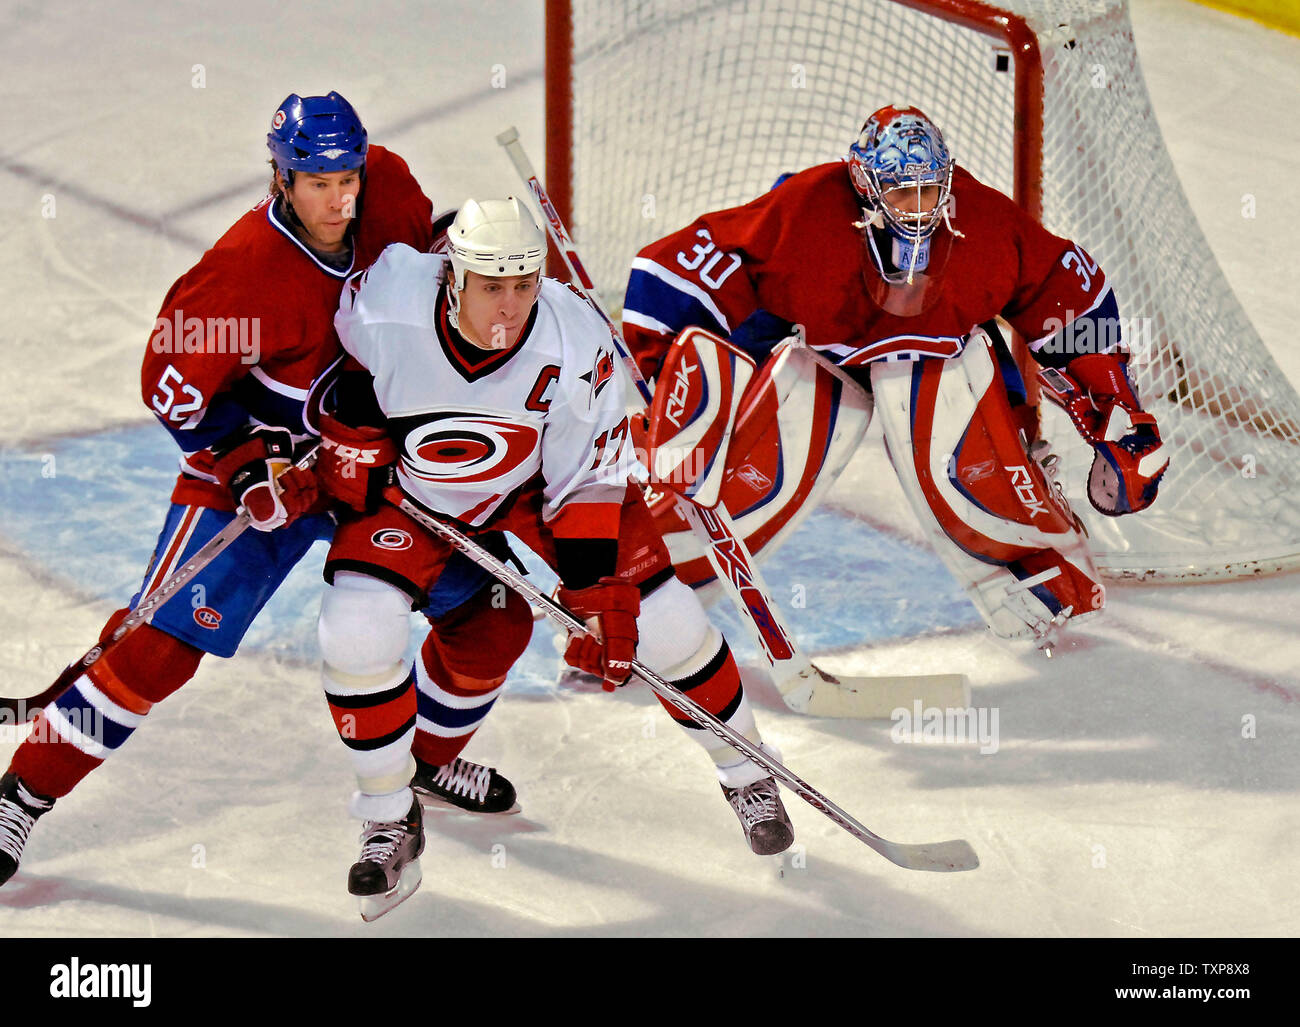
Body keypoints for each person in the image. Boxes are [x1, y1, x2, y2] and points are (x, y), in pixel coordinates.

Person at [0, 92, 526, 890]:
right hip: (271, 478)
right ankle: (23, 795)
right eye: (316, 182)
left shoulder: (391, 187)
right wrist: (248, 465)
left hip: (371, 464)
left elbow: (417, 273)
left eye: (346, 176)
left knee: (493, 615)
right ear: (280, 176)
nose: (338, 198)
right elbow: (170, 383)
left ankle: (420, 763)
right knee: (157, 648)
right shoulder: (243, 273)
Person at [317, 197, 795, 919]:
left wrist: (593, 589)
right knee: (355, 629)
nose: (509, 305)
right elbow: (345, 368)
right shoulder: (390, 298)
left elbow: (584, 477)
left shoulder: (575, 337)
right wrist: (348, 430)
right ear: (453, 277)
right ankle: (388, 815)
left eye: (523, 283)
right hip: (415, 490)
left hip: (536, 484)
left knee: (666, 622)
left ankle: (746, 769)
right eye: (490, 285)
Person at [621, 105, 1169, 644]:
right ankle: (647, 601)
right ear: (863, 181)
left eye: (929, 191)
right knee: (758, 465)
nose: (918, 207)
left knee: (946, 404)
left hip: (942, 357)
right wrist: (672, 396)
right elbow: (667, 275)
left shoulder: (983, 224)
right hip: (812, 348)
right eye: (903, 192)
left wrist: (1115, 408)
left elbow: (1065, 292)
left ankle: (1039, 567)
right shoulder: (805, 215)